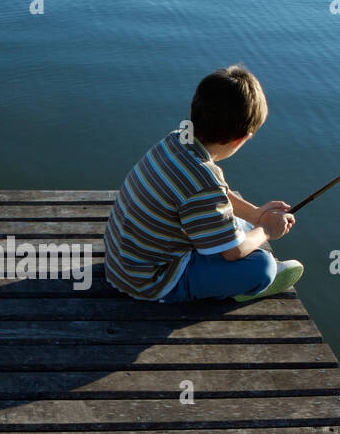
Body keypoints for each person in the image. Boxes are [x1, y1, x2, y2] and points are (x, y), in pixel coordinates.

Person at [103, 64, 301, 303]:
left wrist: (256, 214)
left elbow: (220, 194)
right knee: (262, 267)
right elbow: (232, 252)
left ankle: (237, 249)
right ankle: (242, 285)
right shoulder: (204, 181)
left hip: (120, 264)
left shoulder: (177, 139)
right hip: (149, 282)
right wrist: (267, 229)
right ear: (241, 139)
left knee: (241, 225)